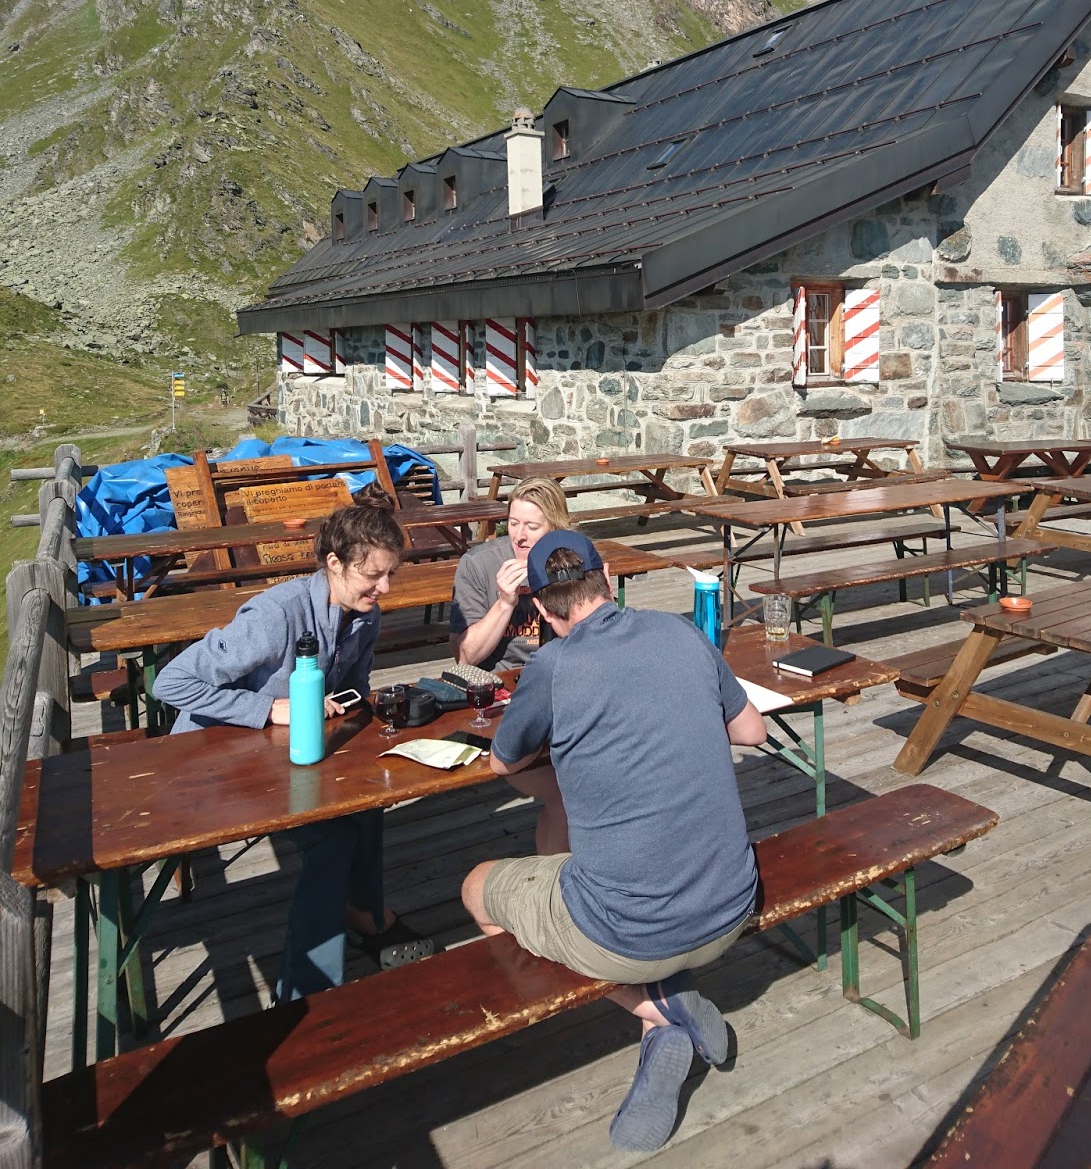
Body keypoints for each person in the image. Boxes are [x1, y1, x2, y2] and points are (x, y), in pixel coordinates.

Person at [461, 531, 766, 1154]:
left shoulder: (552, 665)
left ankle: (655, 1008)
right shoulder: (683, 632)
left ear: (540, 608)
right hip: (732, 905)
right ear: (608, 577)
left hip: (626, 935)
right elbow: (752, 732)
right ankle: (663, 1017)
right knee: (602, 865)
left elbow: (502, 762)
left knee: (475, 888)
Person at [153, 492, 436, 999]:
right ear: (334, 563)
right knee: (333, 840)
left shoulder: (364, 614)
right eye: (374, 575)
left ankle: (365, 915)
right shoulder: (276, 615)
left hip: (287, 754)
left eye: (391, 574)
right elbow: (170, 683)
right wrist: (264, 709)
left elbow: (352, 687)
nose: (385, 588)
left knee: (367, 803)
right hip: (214, 761)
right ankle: (307, 990)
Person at [450, 477, 571, 852]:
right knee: (566, 796)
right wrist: (504, 602)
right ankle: (552, 881)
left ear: (555, 528)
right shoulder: (479, 564)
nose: (520, 536)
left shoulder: (570, 560)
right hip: (501, 700)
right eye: (513, 523)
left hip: (565, 689)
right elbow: (465, 657)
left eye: (532, 526)